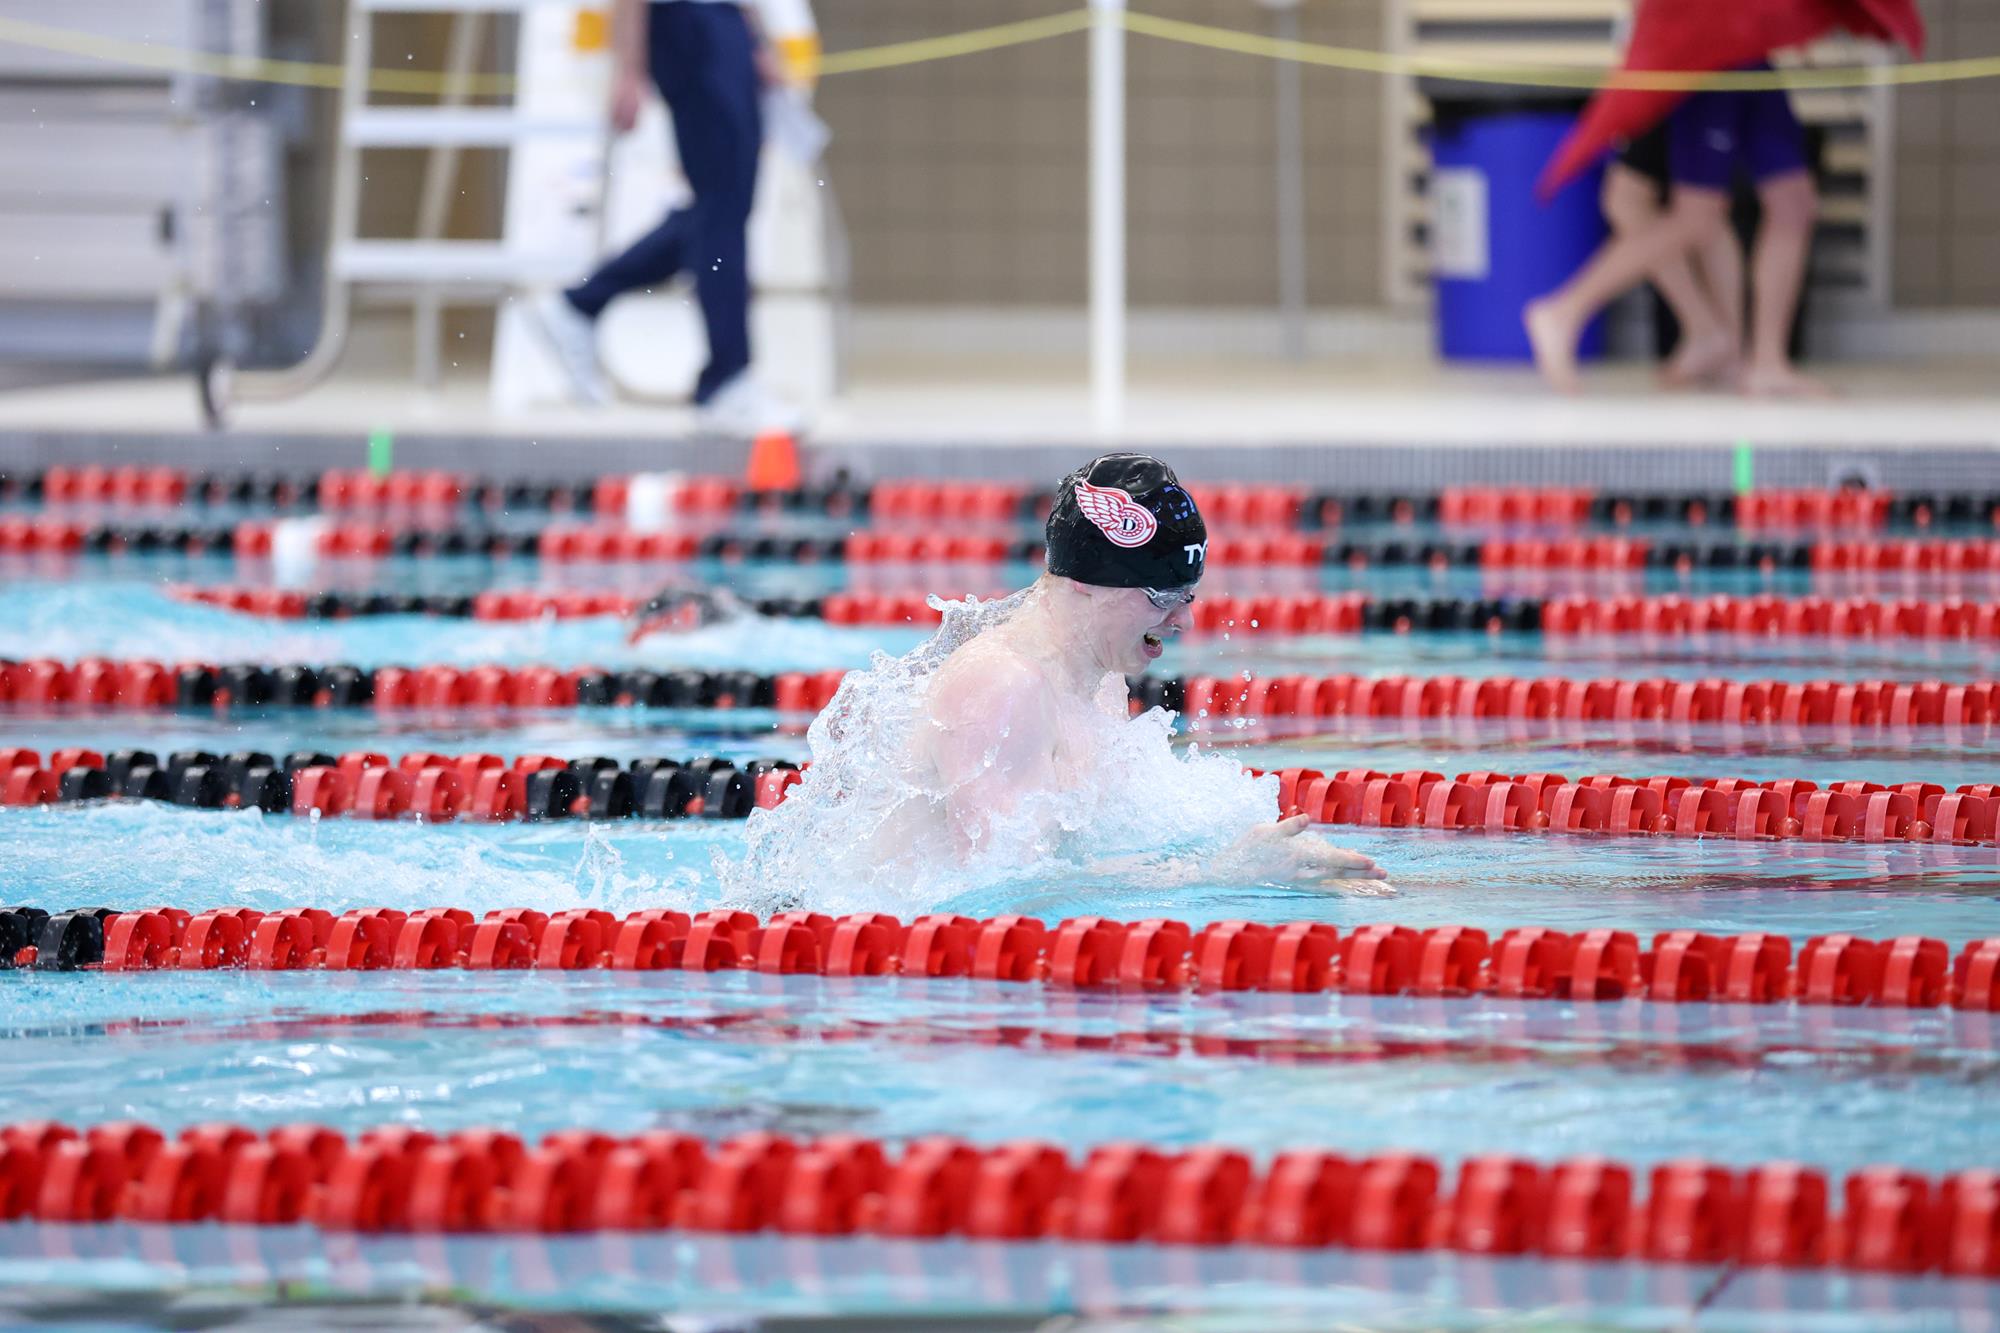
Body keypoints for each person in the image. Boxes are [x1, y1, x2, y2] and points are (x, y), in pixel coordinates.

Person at [724, 454, 1390, 911]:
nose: (1185, 620)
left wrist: (1269, 862)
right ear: (1086, 583)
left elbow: (1098, 847)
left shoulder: (1098, 677)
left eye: (1189, 595)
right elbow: (997, 891)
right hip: (869, 969)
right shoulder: (1001, 687)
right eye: (1163, 594)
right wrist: (1223, 877)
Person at [529, 0, 800, 435]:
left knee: (723, 208)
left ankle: (580, 304)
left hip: (725, 26)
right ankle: (727, 379)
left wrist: (757, 39)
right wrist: (628, 68)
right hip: (691, 26)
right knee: (722, 207)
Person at [1526, 65, 1822, 398]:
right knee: (1693, 211)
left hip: (1743, 52)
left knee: (1789, 202)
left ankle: (1758, 359)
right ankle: (1565, 310)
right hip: (1706, 54)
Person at [1601, 127, 1745, 388]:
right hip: (1691, 92)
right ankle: (1723, 347)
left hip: (1681, 89)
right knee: (1702, 203)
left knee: (1635, 198)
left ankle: (1712, 336)